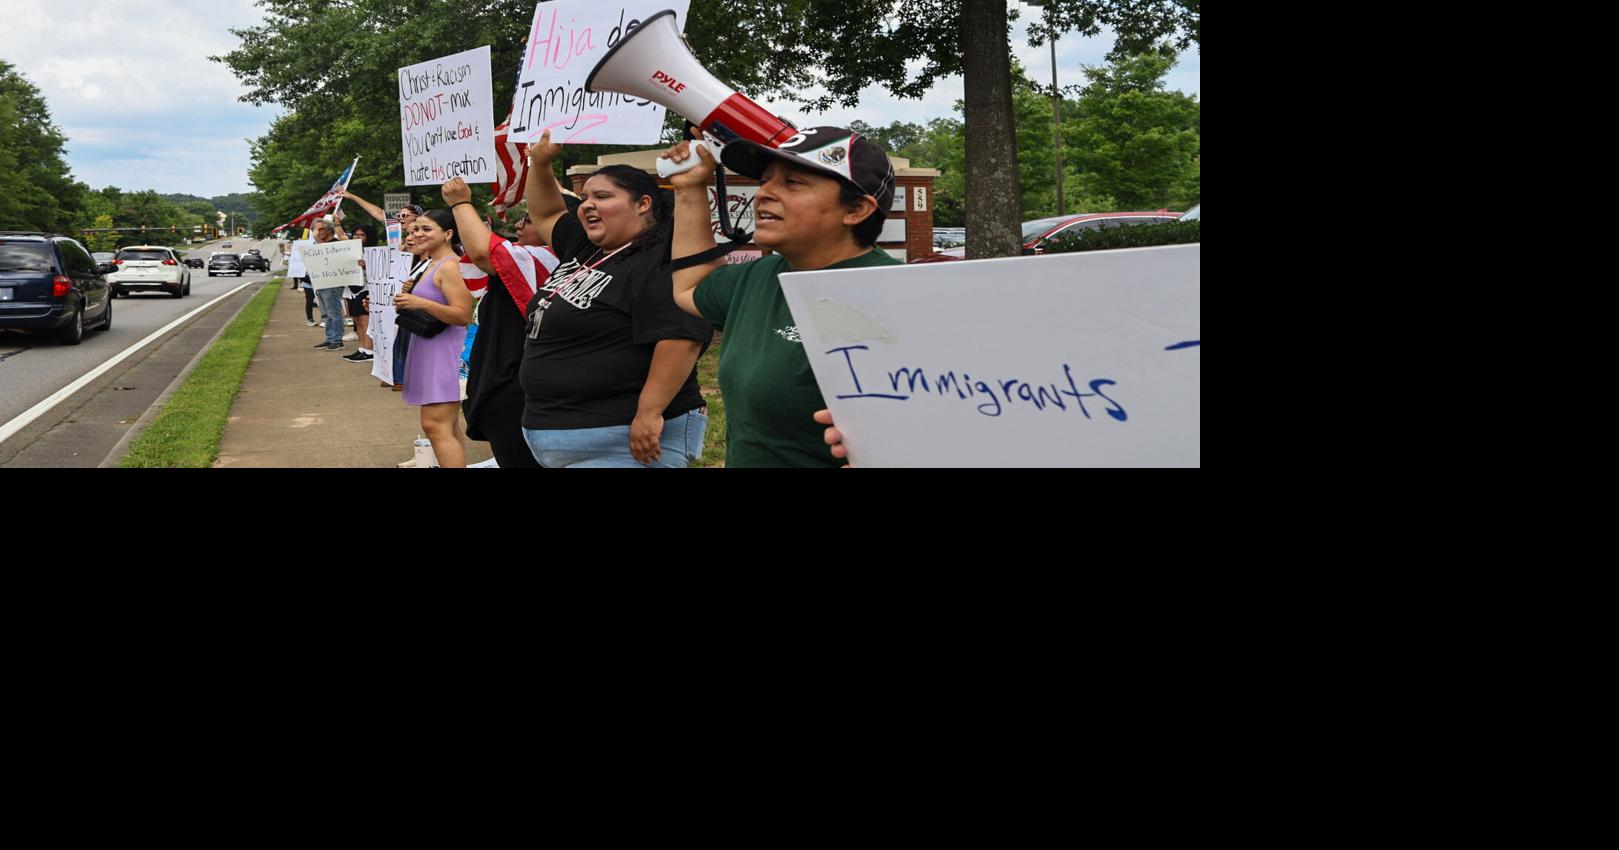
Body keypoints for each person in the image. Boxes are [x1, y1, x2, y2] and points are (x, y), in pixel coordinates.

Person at [664, 126, 898, 467]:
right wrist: (688, 190)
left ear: (857, 209)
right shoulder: (758, 276)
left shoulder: (898, 296)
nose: (763, 194)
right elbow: (690, 287)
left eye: (792, 182)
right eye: (766, 180)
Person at [520, 130, 712, 468]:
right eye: (586, 197)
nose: (588, 204)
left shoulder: (661, 257)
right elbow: (547, 213)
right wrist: (540, 163)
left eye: (603, 196)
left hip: (624, 441)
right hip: (561, 434)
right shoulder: (588, 249)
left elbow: (680, 336)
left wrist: (649, 413)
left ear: (643, 204)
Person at [442, 178, 556, 469]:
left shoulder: (548, 260)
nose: (518, 226)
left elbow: (483, 252)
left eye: (529, 219)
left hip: (517, 392)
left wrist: (459, 202)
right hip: (502, 389)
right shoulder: (528, 258)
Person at [393, 209, 474, 467]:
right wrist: (409, 299)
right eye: (416, 228)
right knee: (444, 427)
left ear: (448, 234)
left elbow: (462, 315)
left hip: (445, 351)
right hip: (429, 348)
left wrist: (420, 302)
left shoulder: (451, 265)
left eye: (427, 229)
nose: (417, 233)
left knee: (435, 426)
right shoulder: (430, 263)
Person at [308, 218, 350, 351]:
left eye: (320, 229)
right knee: (325, 313)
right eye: (316, 229)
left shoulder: (335, 244)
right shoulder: (320, 244)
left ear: (329, 230)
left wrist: (317, 241)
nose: (317, 232)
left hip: (333, 283)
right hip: (322, 282)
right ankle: (330, 338)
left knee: (333, 312)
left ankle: (337, 340)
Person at [341, 224, 377, 364]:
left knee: (364, 320)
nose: (357, 237)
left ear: (368, 237)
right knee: (357, 320)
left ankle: (369, 349)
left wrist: (366, 265)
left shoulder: (372, 252)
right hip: (352, 289)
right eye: (355, 234)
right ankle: (362, 348)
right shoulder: (350, 251)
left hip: (366, 289)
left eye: (361, 235)